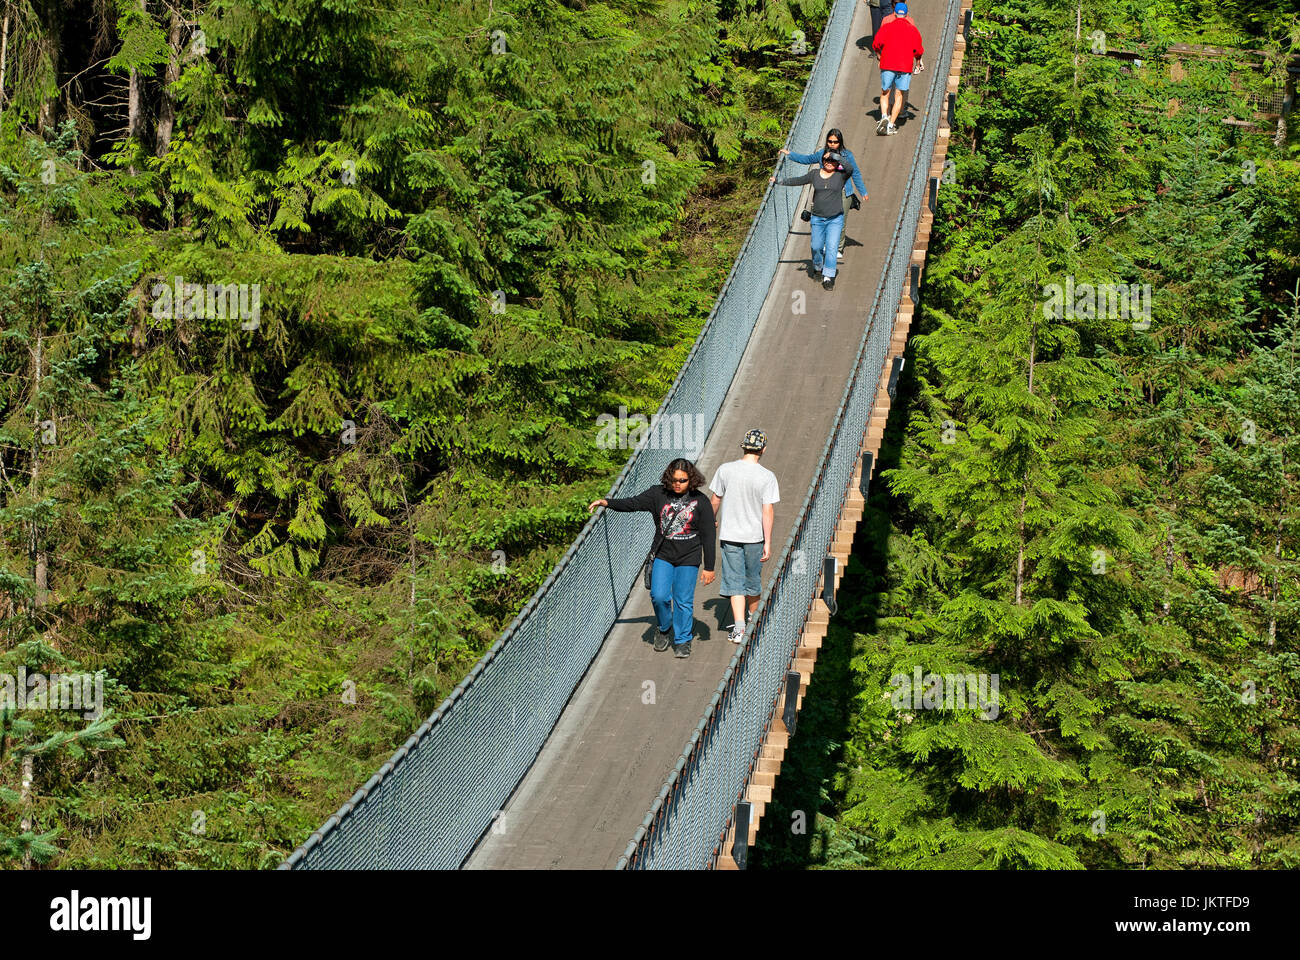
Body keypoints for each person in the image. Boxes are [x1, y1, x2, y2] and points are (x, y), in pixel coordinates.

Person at [589, 459, 716, 659]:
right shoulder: (658, 494)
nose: (678, 484)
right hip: (663, 555)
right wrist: (607, 503)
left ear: (691, 480)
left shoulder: (701, 501)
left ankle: (683, 639)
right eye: (674, 480)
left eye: (682, 480)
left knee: (683, 600)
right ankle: (664, 627)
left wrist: (709, 567)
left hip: (689, 557)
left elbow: (709, 535)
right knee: (659, 596)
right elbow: (633, 503)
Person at [710, 430, 779, 643]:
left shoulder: (725, 469)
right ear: (763, 449)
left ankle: (739, 629)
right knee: (752, 579)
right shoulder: (767, 476)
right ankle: (753, 621)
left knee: (734, 581)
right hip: (754, 537)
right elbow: (767, 511)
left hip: (730, 534)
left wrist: (711, 520)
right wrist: (767, 541)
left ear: (743, 446)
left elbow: (715, 499)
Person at [769, 150, 863, 291]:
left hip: (835, 219)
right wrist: (779, 181)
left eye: (832, 161)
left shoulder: (840, 176)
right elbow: (798, 180)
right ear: (822, 162)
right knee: (816, 247)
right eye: (826, 161)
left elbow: (850, 168)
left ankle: (828, 277)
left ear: (837, 163)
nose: (829, 163)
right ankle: (818, 268)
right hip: (818, 218)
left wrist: (835, 156)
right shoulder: (815, 174)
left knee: (831, 248)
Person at [780, 128, 868, 261]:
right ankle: (829, 244)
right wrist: (789, 154)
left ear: (840, 142)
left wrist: (863, 191)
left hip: (844, 192)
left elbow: (854, 172)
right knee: (825, 219)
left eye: (835, 142)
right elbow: (807, 159)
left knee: (840, 221)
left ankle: (838, 248)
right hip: (826, 192)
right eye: (830, 141)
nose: (832, 144)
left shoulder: (846, 155)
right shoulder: (822, 154)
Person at [872, 2, 925, 137]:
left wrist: (879, 55)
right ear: (906, 15)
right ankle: (890, 124)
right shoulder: (912, 29)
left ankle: (884, 116)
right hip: (904, 66)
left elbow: (876, 44)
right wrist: (918, 63)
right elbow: (918, 50)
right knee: (899, 96)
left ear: (895, 13)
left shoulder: (887, 27)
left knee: (885, 92)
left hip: (887, 64)